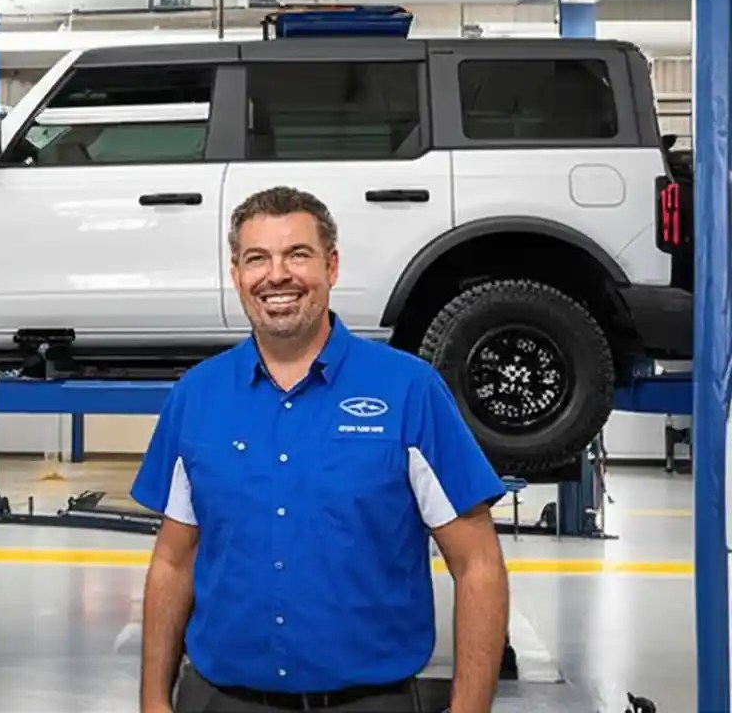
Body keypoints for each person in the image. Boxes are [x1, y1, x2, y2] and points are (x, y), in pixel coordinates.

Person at [130, 186, 511, 713]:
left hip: (369, 703)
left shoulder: (408, 391)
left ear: (331, 267)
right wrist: (153, 700)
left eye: (297, 255)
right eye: (256, 258)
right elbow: (173, 562)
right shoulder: (196, 395)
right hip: (219, 700)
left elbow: (478, 563)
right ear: (236, 273)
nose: (276, 275)